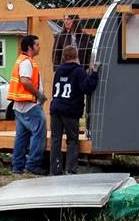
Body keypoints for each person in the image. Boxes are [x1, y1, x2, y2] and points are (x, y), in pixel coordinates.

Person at [49, 46, 99, 175]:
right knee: (72, 140)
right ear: (76, 56)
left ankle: (55, 169)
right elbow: (87, 88)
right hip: (70, 109)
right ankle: (70, 169)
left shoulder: (59, 70)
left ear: (64, 57)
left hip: (56, 107)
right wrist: (94, 73)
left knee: (56, 139)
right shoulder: (78, 71)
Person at [8, 35, 47, 175]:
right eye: (37, 45)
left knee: (21, 136)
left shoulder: (22, 60)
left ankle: (17, 166)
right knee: (39, 133)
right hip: (29, 104)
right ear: (30, 47)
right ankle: (32, 165)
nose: (39, 47)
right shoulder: (26, 62)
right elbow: (25, 80)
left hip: (20, 105)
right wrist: (39, 94)